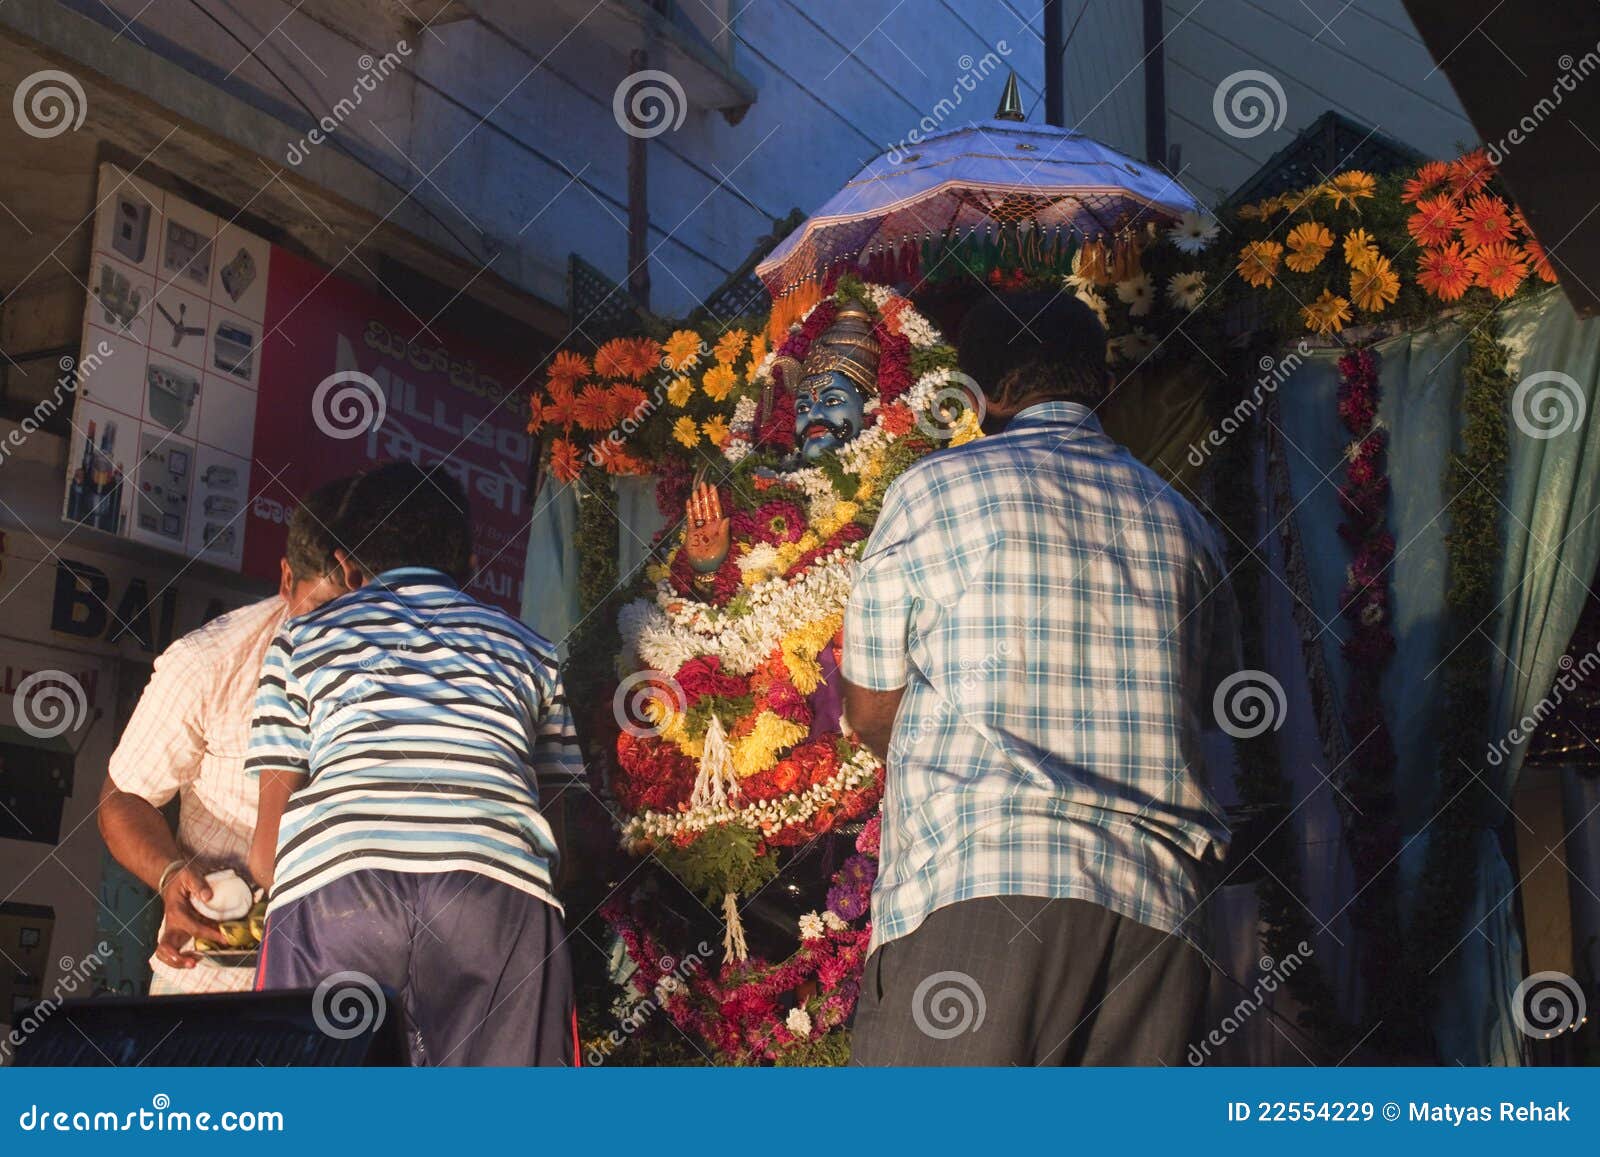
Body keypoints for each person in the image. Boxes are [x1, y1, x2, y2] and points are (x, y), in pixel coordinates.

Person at [841, 290, 1237, 1066]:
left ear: (987, 395)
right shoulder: (1186, 524)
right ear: (1103, 387)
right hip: (1155, 920)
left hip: (984, 882)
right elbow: (1215, 707)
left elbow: (870, 708)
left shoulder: (936, 489)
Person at [247, 461, 584, 1066]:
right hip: (496, 899)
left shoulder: (299, 640)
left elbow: (266, 851)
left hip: (336, 896)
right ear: (470, 568)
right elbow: (562, 836)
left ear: (347, 567)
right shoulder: (532, 650)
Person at [97, 477, 354, 994]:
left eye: (355, 618)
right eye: (319, 613)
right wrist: (169, 876)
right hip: (210, 978)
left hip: (341, 982)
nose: (334, 638)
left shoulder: (406, 677)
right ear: (286, 580)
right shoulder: (208, 664)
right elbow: (122, 798)